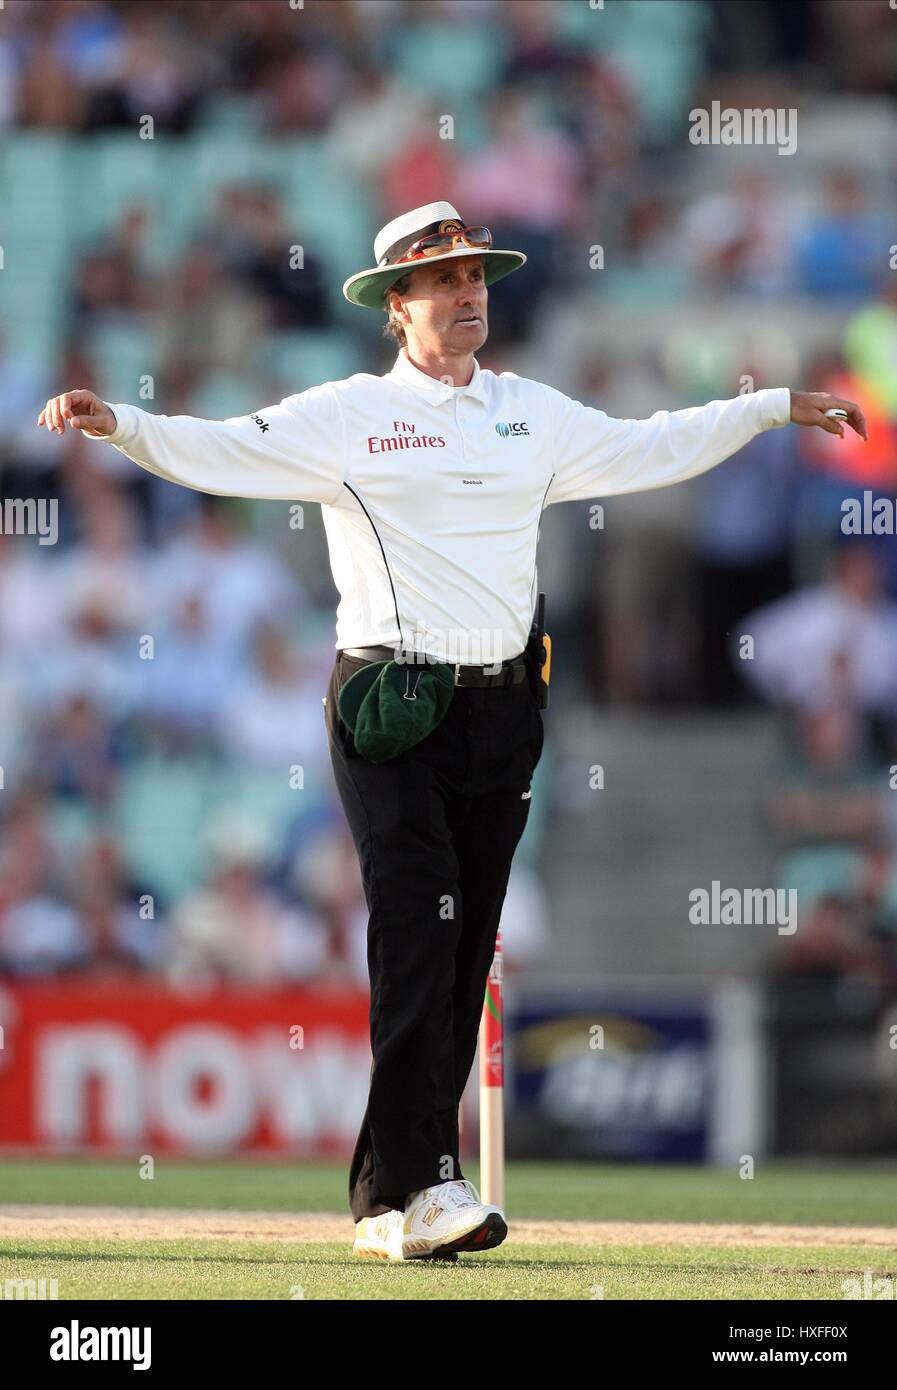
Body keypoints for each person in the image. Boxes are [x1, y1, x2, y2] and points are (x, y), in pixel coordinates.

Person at [38, 199, 866, 1263]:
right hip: (392, 705)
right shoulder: (348, 416)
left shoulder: (528, 411)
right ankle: (427, 1185)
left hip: (503, 707)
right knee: (420, 938)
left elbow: (645, 445)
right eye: (444, 280)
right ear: (397, 306)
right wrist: (122, 424)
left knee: (465, 947)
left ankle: (388, 1196)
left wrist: (764, 410)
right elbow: (223, 450)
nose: (469, 293)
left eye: (477, 277)